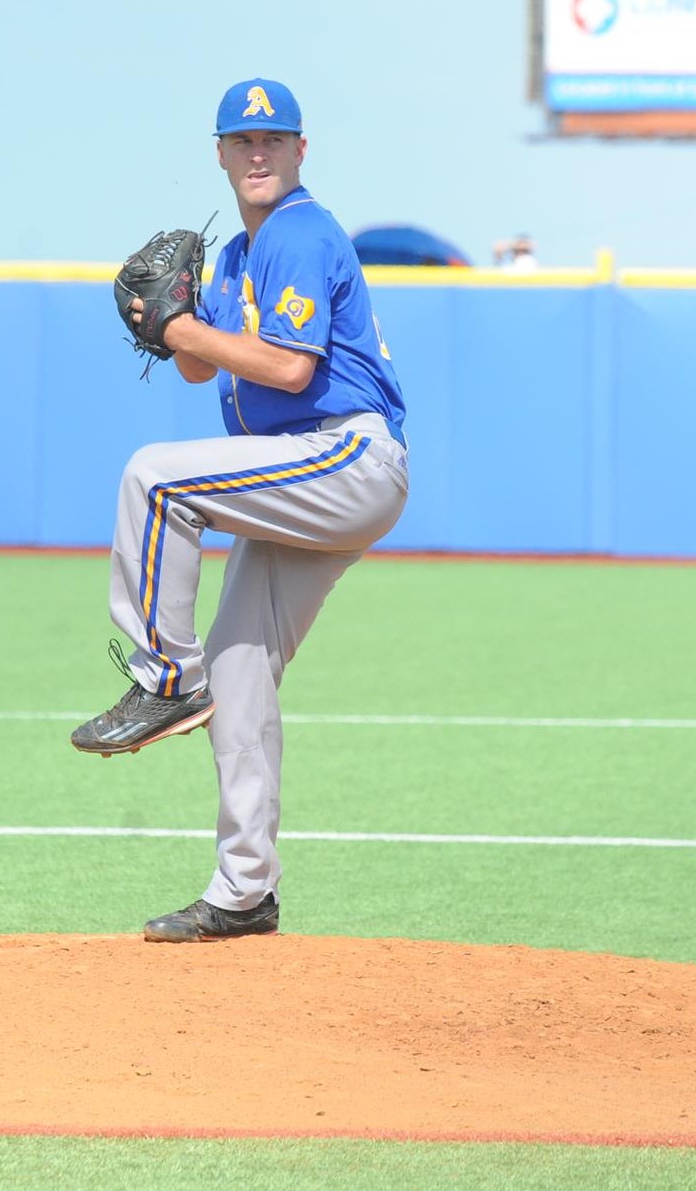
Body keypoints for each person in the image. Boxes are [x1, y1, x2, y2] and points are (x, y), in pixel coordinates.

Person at [71, 77, 410, 943]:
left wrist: (181, 331)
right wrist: (169, 321)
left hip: (346, 456)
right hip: (298, 476)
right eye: (242, 141)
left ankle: (162, 676)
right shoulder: (231, 258)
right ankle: (244, 889)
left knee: (156, 477)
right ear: (220, 154)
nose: (258, 154)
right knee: (241, 675)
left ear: (301, 151)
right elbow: (198, 368)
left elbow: (291, 371)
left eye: (274, 140)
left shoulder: (300, 231)